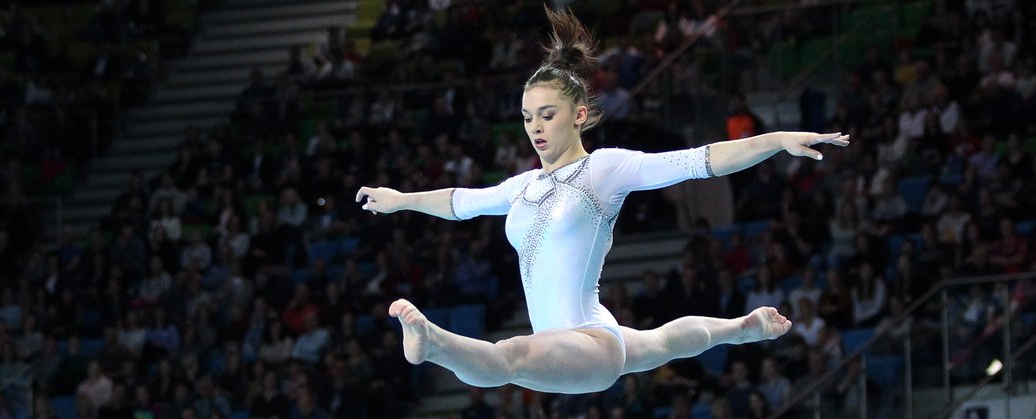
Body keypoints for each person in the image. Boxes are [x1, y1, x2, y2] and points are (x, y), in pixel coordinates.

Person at [355, 7, 847, 396]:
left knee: (510, 358)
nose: (536, 128)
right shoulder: (520, 188)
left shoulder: (605, 168)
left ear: (580, 115)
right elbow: (460, 201)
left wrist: (775, 138)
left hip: (590, 343)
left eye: (548, 115)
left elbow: (701, 160)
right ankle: (742, 327)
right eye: (528, 118)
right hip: (575, 341)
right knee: (661, 342)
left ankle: (434, 344)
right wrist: (402, 200)